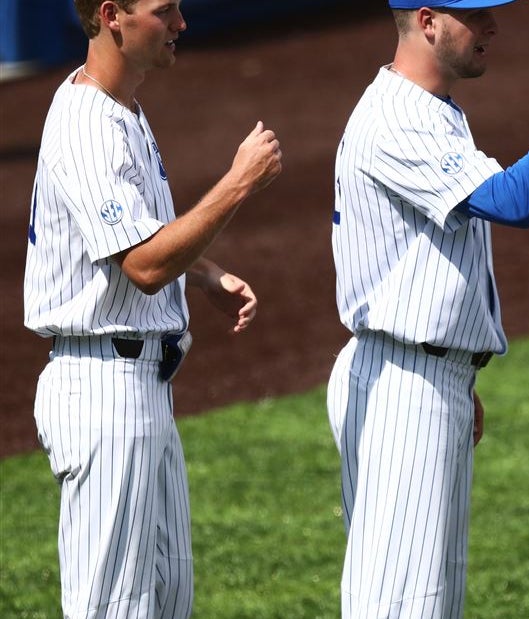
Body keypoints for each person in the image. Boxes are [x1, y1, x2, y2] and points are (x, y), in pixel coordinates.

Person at [324, 1, 529, 617]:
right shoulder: (397, 118)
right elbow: (513, 199)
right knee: (401, 603)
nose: (492, 26)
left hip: (422, 373)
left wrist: (455, 372)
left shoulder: (433, 109)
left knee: (427, 599)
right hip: (403, 382)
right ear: (427, 22)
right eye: (475, 14)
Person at [22, 0, 283, 616]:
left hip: (139, 387)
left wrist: (206, 274)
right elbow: (140, 266)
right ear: (112, 16)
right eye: (165, 11)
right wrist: (239, 181)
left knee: (163, 604)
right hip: (102, 387)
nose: (182, 24)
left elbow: (132, 236)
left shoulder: (122, 110)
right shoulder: (88, 123)